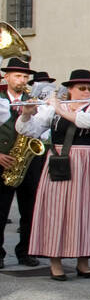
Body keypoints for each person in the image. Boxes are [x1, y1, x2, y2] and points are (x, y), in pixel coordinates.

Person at [20, 69, 90, 280]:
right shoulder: (54, 109)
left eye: (89, 88)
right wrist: (27, 113)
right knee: (56, 210)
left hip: (86, 163)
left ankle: (83, 261)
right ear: (70, 89)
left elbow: (87, 122)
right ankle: (55, 261)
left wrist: (59, 107)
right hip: (59, 161)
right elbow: (29, 130)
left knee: (85, 211)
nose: (86, 92)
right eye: (81, 88)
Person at [0, 58, 44, 268]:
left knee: (30, 210)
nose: (22, 80)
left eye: (25, 76)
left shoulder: (32, 100)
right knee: (0, 210)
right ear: (6, 76)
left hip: (29, 160)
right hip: (3, 159)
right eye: (17, 76)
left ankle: (25, 251)